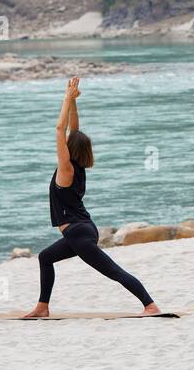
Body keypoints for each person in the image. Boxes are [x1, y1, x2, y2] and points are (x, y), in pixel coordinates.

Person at [23, 77, 159, 318]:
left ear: (69, 149)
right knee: (46, 257)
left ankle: (150, 305)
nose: (63, 142)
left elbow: (60, 129)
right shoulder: (77, 166)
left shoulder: (66, 169)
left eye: (66, 143)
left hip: (79, 233)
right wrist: (74, 102)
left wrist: (65, 99)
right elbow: (73, 130)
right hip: (81, 230)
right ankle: (42, 307)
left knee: (114, 271)